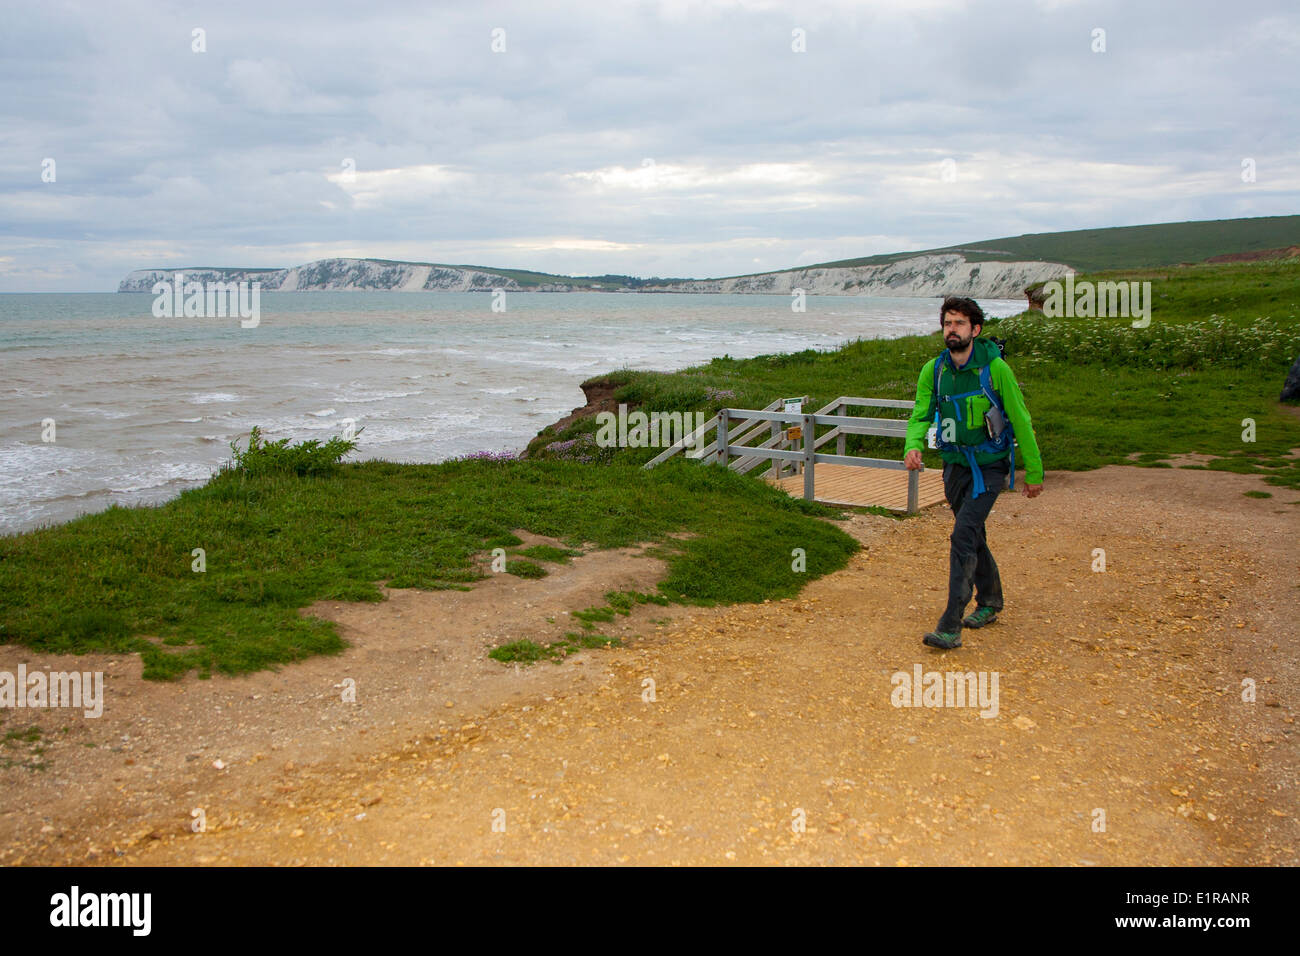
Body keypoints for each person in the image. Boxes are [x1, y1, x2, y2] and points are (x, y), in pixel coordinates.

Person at [903, 296, 1043, 650]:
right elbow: (921, 413)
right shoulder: (933, 370)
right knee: (974, 533)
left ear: (975, 330)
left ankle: (951, 623)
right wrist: (913, 444)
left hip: (990, 467)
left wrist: (1034, 470)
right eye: (948, 323)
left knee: (962, 536)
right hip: (955, 467)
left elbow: (1021, 420)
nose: (952, 329)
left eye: (959, 323)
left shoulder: (997, 370)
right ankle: (991, 601)